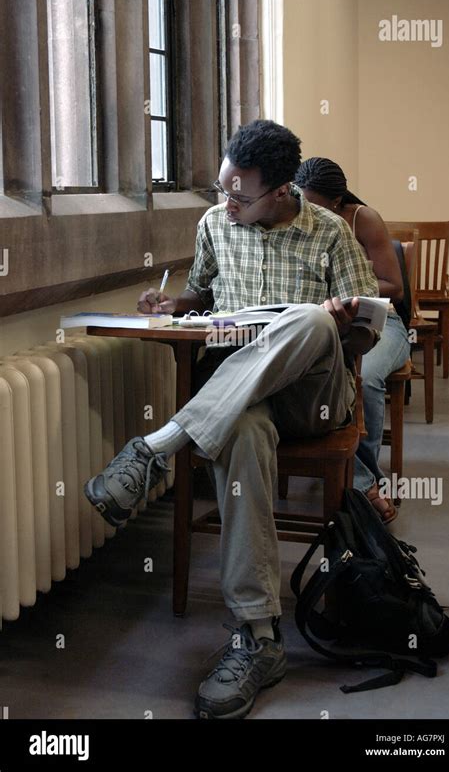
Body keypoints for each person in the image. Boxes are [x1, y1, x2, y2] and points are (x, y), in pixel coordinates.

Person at [84, 121, 379, 719]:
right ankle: (257, 637)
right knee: (241, 433)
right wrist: (176, 307)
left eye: (240, 197)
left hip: (315, 399)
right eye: (222, 191)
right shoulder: (215, 224)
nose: (227, 204)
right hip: (243, 400)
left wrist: (344, 319)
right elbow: (200, 294)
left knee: (311, 322)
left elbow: (367, 335)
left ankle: (159, 446)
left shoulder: (331, 234)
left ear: (281, 191)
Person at [294, 157, 410, 523]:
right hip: (323, 324)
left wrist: (350, 291)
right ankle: (351, 476)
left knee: (366, 375)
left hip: (378, 322)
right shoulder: (294, 221)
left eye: (317, 205)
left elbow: (395, 288)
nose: (308, 211)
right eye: (302, 201)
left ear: (337, 202)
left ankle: (365, 480)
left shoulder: (363, 218)